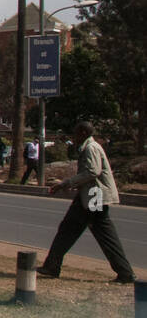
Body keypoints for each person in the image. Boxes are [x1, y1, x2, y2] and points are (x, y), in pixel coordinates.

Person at [37, 121, 135, 283]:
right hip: (89, 195)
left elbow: (92, 171)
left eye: (75, 133)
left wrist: (66, 183)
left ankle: (52, 266)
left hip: (94, 195)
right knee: (72, 230)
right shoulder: (89, 147)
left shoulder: (91, 148)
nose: (73, 137)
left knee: (89, 232)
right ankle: (52, 265)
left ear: (83, 133)